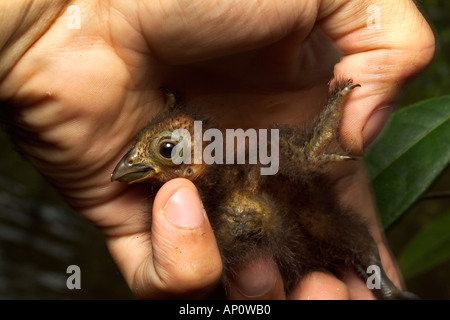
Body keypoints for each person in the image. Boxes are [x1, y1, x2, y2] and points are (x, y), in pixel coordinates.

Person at [0, 0, 434, 299]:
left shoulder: (255, 156)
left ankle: (385, 287)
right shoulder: (227, 199)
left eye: (165, 148)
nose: (145, 163)